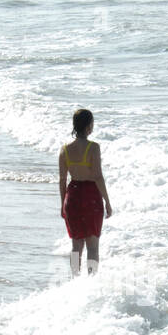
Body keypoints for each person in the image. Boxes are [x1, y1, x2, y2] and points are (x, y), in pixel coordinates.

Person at [59, 108, 112, 276]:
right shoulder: (93, 147)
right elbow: (97, 176)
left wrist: (62, 205)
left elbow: (62, 180)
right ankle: (91, 281)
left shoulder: (65, 150)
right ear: (89, 126)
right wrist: (107, 201)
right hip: (90, 195)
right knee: (92, 246)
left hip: (72, 196)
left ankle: (75, 278)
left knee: (76, 246)